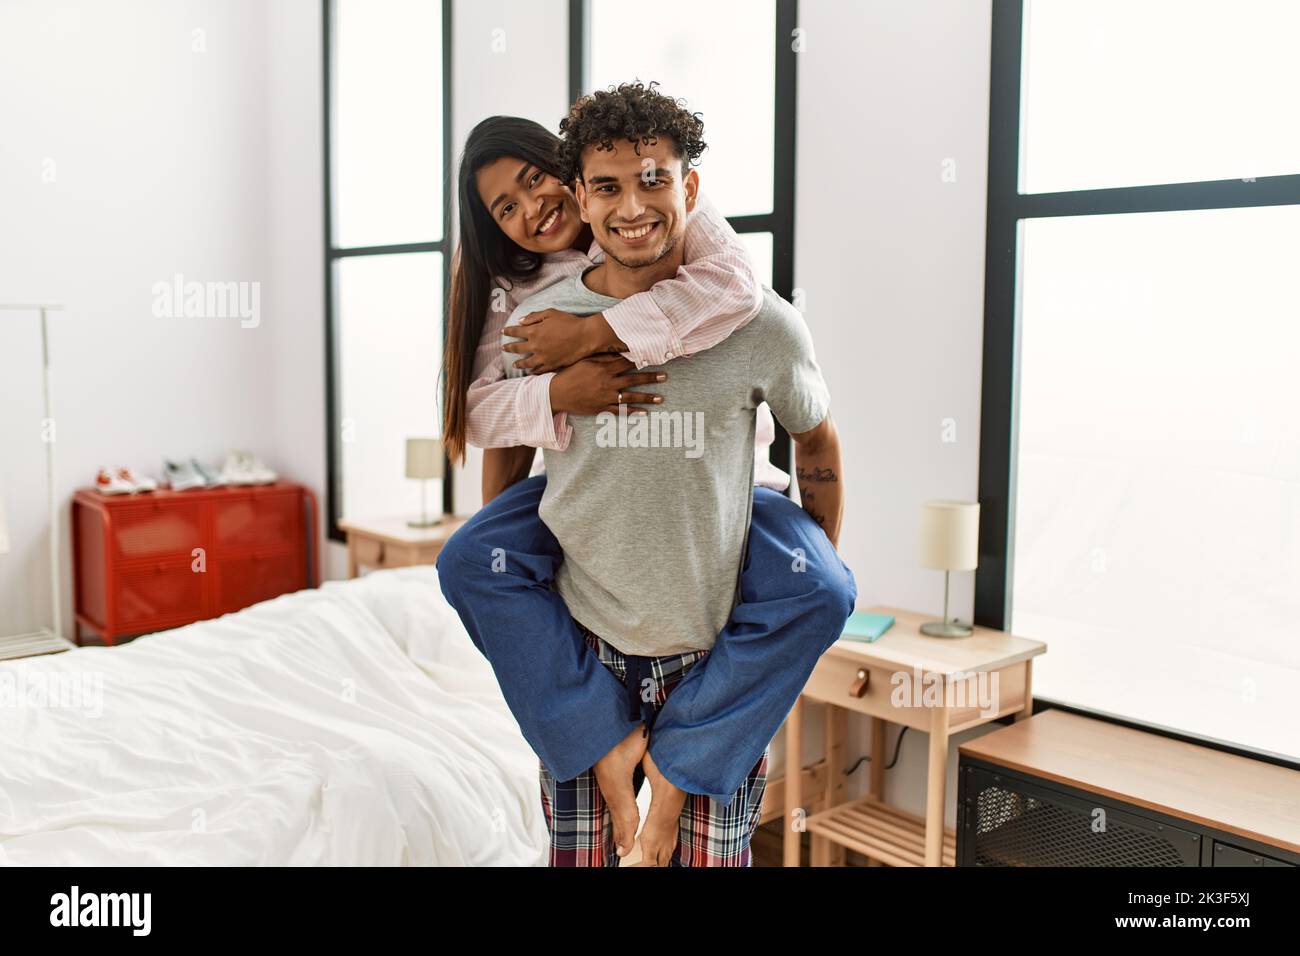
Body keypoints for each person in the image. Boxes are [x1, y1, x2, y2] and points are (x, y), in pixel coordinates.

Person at [437, 86, 856, 866]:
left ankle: (678, 766)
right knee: (468, 558)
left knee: (825, 587)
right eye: (608, 187)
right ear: (587, 194)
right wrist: (558, 398)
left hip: (723, 584)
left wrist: (811, 564)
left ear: (688, 187)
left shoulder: (738, 298)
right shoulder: (535, 316)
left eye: (654, 181)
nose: (631, 204)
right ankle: (601, 737)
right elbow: (492, 424)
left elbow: (815, 438)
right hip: (588, 637)